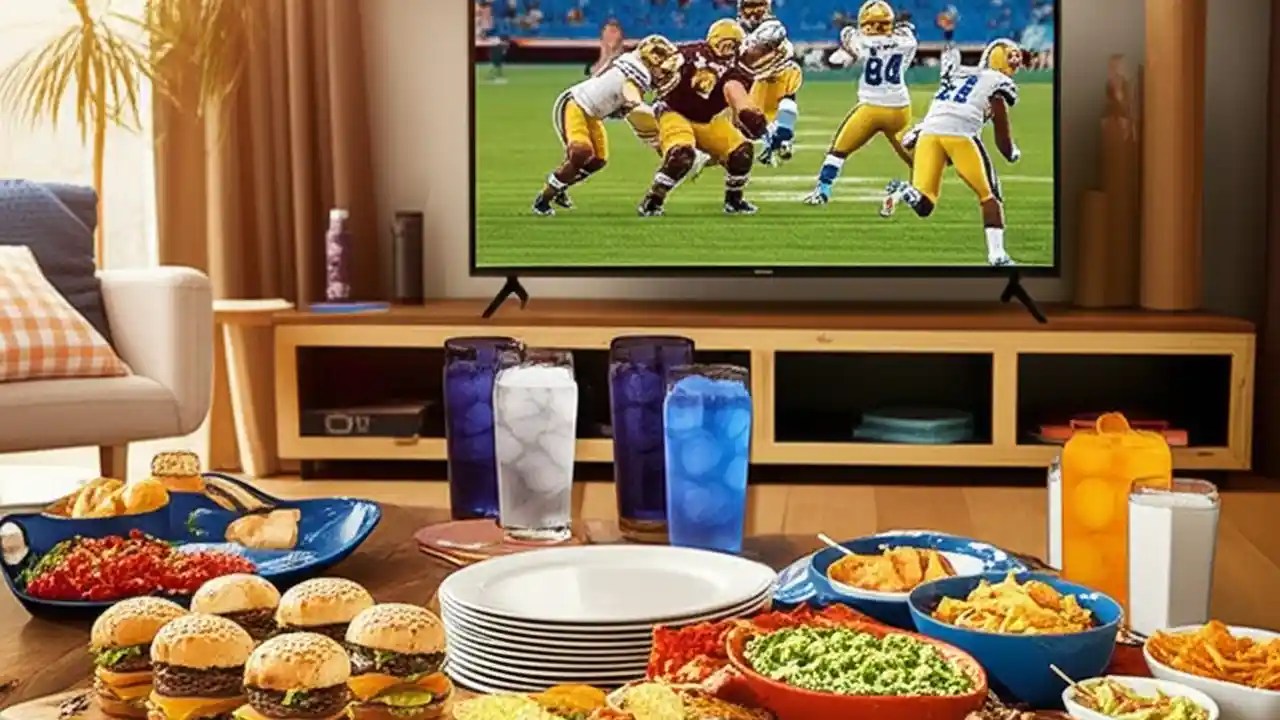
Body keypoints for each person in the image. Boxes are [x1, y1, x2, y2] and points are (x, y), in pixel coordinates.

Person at [882, 38, 1023, 267]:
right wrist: (1012, 153)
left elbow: (943, 110)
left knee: (925, 204)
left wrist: (917, 131)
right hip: (960, 135)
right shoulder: (997, 83)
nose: (1016, 61)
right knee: (990, 196)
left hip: (929, 134)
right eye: (1013, 57)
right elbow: (1002, 135)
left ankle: (907, 191)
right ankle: (997, 255)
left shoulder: (957, 75)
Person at [532, 36, 683, 216]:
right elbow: (631, 94)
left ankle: (560, 186)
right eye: (663, 66)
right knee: (581, 152)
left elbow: (621, 105)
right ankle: (543, 199)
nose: (666, 73)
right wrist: (646, 110)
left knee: (598, 160)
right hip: (576, 105)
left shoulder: (633, 67)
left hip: (593, 114)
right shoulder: (636, 74)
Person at [637, 19, 768, 216]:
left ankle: (734, 201)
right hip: (674, 111)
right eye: (726, 43)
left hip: (706, 119)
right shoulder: (688, 54)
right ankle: (653, 201)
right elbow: (655, 66)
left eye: (734, 45)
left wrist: (749, 116)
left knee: (742, 152)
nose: (729, 49)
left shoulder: (738, 69)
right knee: (681, 155)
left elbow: (734, 92)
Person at [803, 0, 917, 205]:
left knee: (838, 150)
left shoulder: (860, 41)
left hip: (872, 108)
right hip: (900, 109)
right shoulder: (907, 41)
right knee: (915, 159)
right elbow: (904, 37)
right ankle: (919, 191)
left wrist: (848, 49)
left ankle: (822, 190)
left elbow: (847, 41)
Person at [738, 0, 803, 166]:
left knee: (781, 98)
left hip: (779, 71)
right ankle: (780, 139)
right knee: (752, 123)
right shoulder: (738, 30)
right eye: (749, 6)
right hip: (760, 78)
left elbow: (762, 46)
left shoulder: (771, 26)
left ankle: (782, 136)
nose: (753, 11)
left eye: (758, 6)